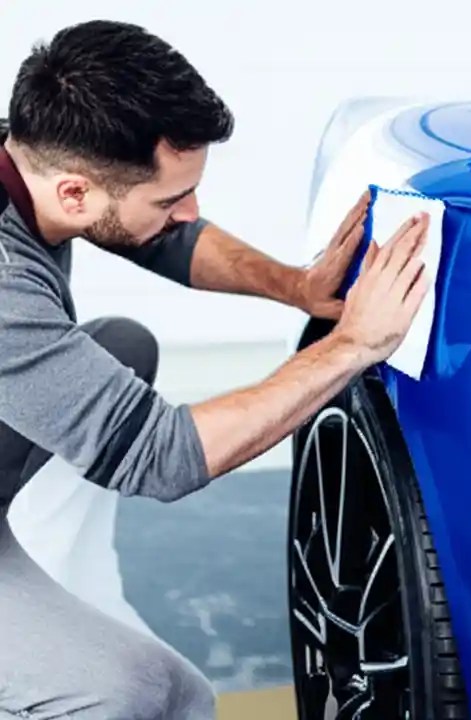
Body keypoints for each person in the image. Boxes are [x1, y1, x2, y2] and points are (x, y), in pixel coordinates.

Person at [0, 20, 431, 719]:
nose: (192, 212)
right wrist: (353, 344)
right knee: (142, 695)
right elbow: (161, 457)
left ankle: (61, 587)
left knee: (120, 347)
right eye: (172, 199)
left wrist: (297, 285)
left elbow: (159, 242)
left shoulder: (29, 156)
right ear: (74, 193)